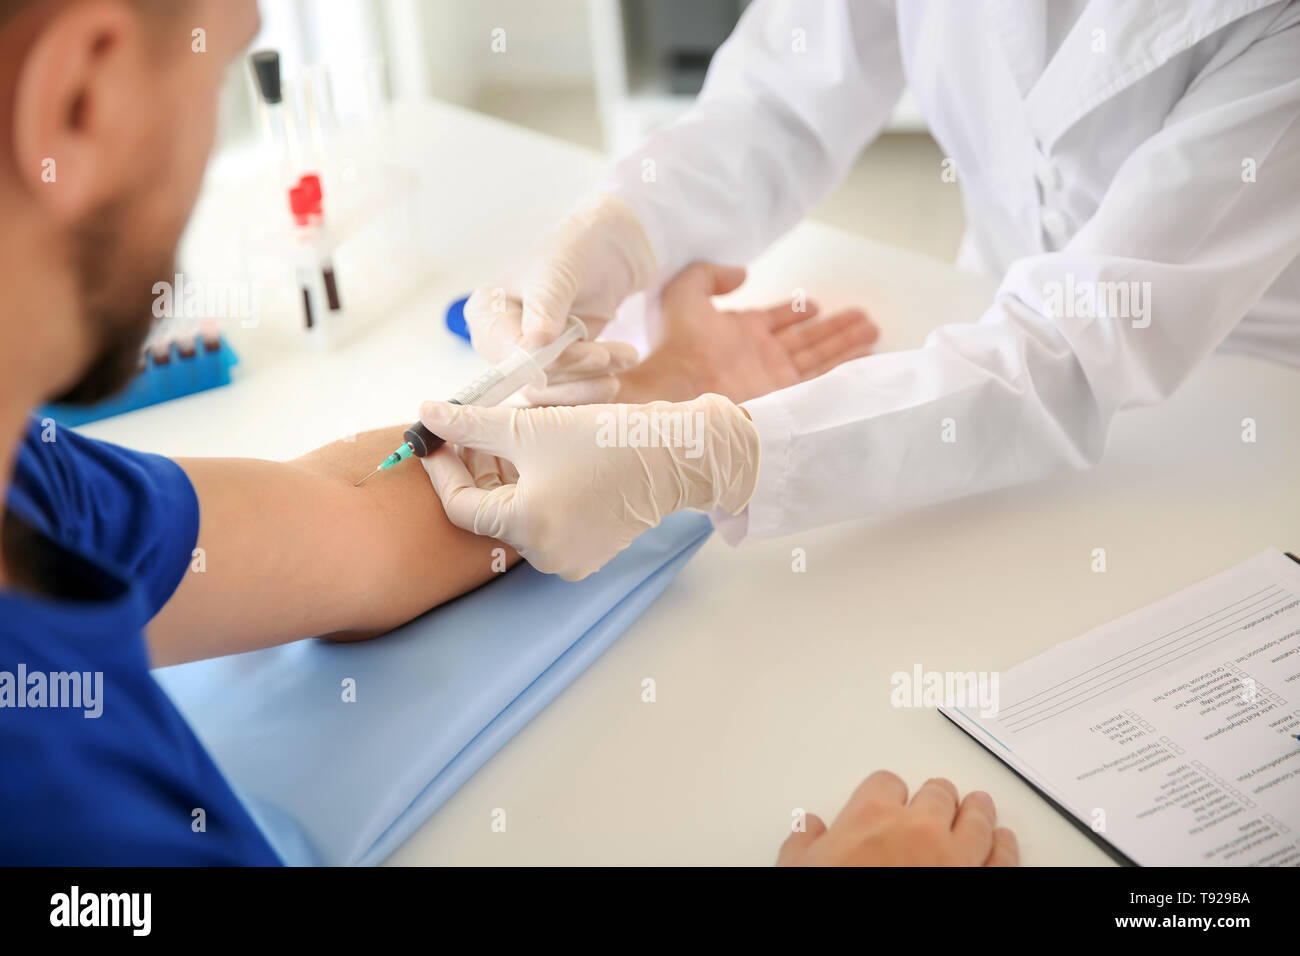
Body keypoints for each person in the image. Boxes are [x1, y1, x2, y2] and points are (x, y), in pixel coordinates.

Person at [1, 0, 1002, 865]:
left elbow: (355, 525)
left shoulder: (38, 492)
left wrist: (661, 385)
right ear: (81, 100)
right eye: (220, 69)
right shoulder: (63, 810)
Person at [425, 0, 1300, 581]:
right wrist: (619, 227)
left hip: (1241, 406)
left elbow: (1071, 350)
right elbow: (781, 103)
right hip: (984, 311)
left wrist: (714, 455)